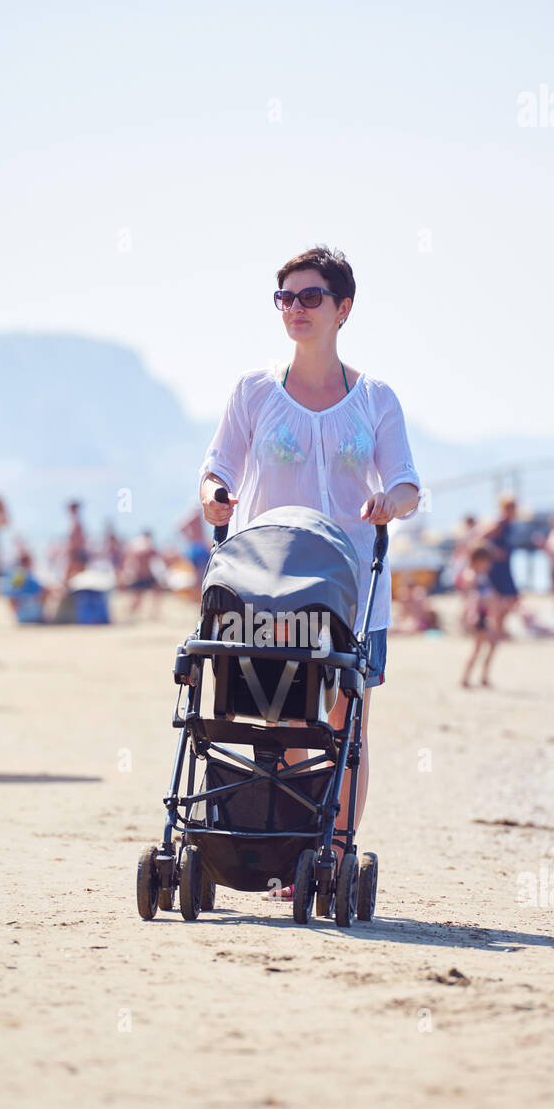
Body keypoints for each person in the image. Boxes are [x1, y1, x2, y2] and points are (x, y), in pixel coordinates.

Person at [198, 245, 421, 896]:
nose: (295, 308)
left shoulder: (375, 398)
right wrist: (213, 494)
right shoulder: (253, 390)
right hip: (266, 589)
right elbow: (217, 468)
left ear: (341, 308)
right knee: (282, 720)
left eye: (309, 297)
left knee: (347, 726)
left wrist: (390, 503)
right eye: (285, 297)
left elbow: (407, 483)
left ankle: (332, 856)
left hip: (352, 594)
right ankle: (295, 850)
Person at [477, 494, 520, 633]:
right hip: (497, 568)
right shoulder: (498, 524)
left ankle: (500, 626)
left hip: (505, 567)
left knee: (511, 599)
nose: (512, 510)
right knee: (502, 599)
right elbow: (480, 540)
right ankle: (498, 627)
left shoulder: (510, 524)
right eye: (509, 507)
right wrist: (495, 552)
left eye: (513, 507)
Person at [459, 545, 498, 687]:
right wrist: (472, 613)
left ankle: (473, 677)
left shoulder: (481, 575)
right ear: (478, 560)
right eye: (486, 561)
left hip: (483, 614)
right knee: (484, 645)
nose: (489, 565)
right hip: (478, 615)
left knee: (482, 647)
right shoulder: (471, 575)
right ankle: (477, 677)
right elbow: (471, 596)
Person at [126, 529, 163, 620]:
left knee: (156, 592)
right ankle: (130, 614)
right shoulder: (143, 547)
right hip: (141, 575)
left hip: (145, 575)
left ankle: (153, 613)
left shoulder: (139, 547)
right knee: (137, 599)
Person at [65, 501, 88, 584]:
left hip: (77, 552)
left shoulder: (76, 523)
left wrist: (72, 550)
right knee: (78, 574)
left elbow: (78, 540)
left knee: (75, 574)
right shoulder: (76, 522)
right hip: (77, 551)